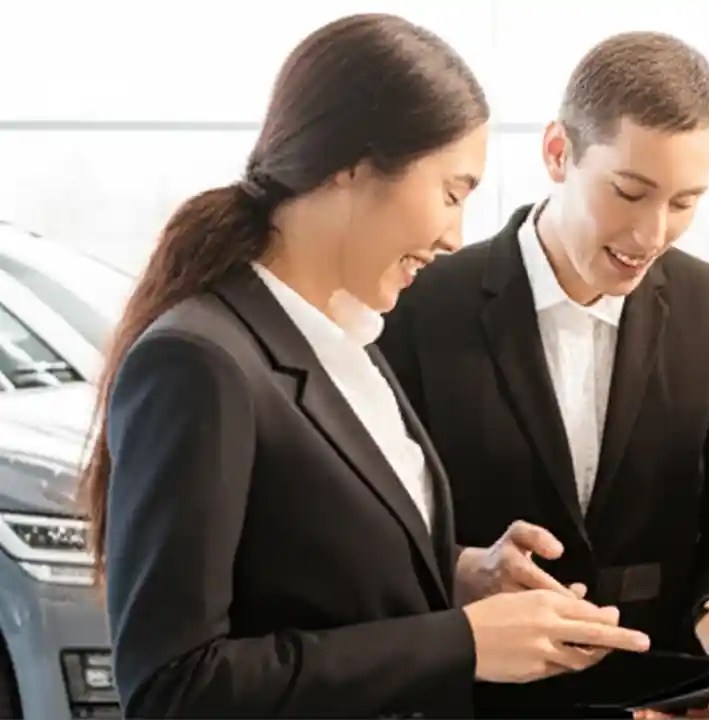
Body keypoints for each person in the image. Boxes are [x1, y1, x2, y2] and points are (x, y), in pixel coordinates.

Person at [79, 14, 649, 718]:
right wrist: (462, 642)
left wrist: (465, 574)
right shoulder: (199, 363)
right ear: (350, 165)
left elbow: (312, 572)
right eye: (451, 192)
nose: (454, 236)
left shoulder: (351, 339)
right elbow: (174, 686)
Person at [376, 30, 709, 717]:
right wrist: (465, 568)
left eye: (684, 203)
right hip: (475, 701)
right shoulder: (422, 301)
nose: (654, 234)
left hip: (658, 700)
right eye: (629, 192)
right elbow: (376, 537)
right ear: (559, 152)